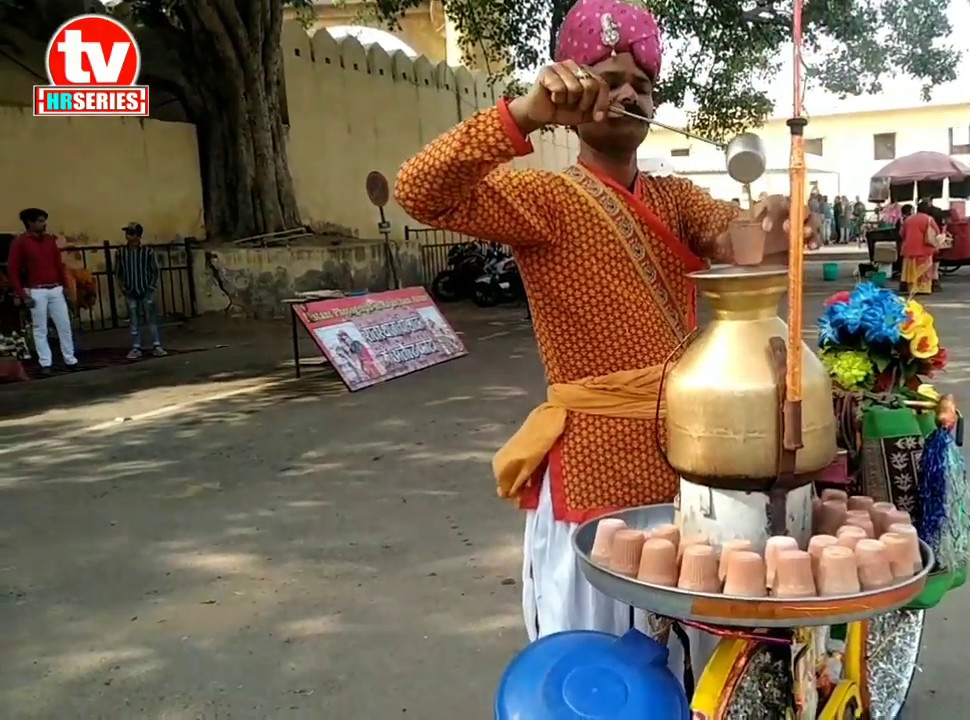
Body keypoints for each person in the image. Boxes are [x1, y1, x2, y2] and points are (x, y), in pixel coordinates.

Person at [393, 0, 815, 678]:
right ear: (573, 89)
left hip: (690, 456)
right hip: (592, 467)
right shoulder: (545, 200)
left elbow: (740, 243)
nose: (628, 94)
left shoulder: (678, 198)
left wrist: (779, 223)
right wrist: (525, 114)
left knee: (693, 658)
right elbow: (420, 192)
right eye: (609, 78)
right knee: (598, 658)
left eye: (643, 85)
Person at [6, 208, 78, 375]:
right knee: (40, 328)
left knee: (64, 325)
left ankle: (70, 358)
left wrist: (65, 287)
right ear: (30, 223)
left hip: (55, 288)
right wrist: (22, 294)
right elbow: (13, 270)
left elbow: (58, 265)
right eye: (39, 221)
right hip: (36, 290)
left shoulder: (49, 240)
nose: (43, 224)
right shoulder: (21, 242)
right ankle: (46, 362)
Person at [116, 222, 167, 358]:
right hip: (130, 291)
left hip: (146, 290)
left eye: (131, 233)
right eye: (127, 233)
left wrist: (151, 287)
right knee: (134, 320)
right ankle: (136, 347)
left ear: (138, 236)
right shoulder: (121, 253)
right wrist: (123, 288)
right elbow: (119, 273)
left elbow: (155, 271)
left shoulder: (147, 252)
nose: (128, 236)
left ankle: (156, 344)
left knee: (151, 318)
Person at [899, 203, 941, 295]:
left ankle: (912, 288)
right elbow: (937, 232)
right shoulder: (929, 219)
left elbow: (902, 234)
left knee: (911, 270)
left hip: (909, 249)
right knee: (925, 269)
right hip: (925, 249)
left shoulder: (908, 219)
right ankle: (923, 289)